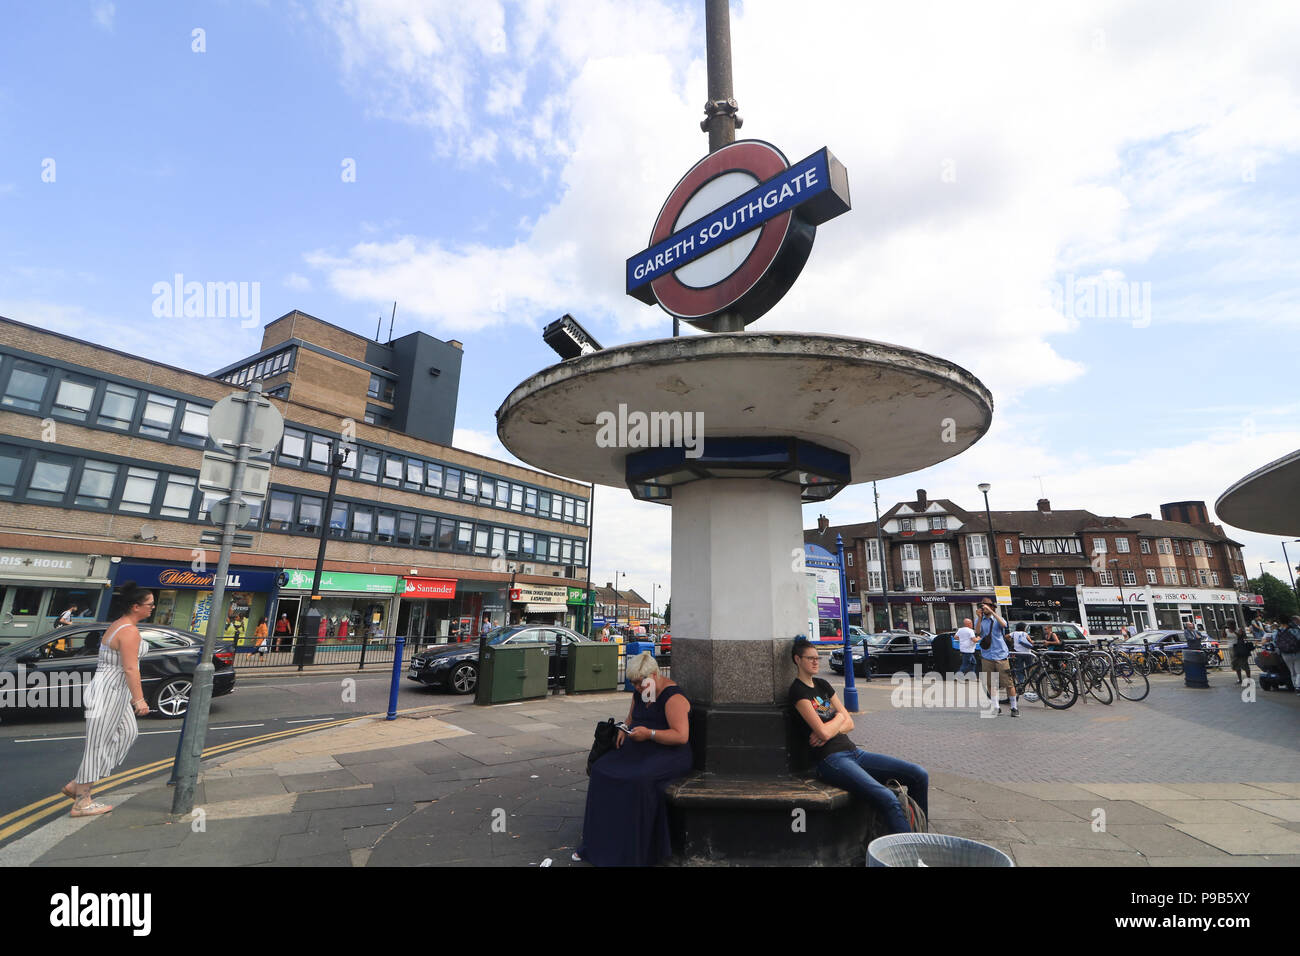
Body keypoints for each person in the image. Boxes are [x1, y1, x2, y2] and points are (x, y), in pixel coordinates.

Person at [789, 636, 928, 834]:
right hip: (830, 760)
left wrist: (833, 725)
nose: (815, 662)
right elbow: (825, 730)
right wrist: (838, 718)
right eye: (810, 658)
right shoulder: (798, 691)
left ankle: (923, 835)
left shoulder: (822, 685)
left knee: (918, 775)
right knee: (887, 798)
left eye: (817, 658)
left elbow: (850, 722)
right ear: (797, 660)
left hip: (854, 753)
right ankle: (910, 854)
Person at [575, 651, 692, 866]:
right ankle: (599, 843)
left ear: (655, 675)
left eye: (640, 682)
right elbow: (631, 718)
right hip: (640, 749)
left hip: (668, 753)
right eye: (633, 683)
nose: (637, 688)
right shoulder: (641, 693)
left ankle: (632, 850)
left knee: (637, 780)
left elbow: (681, 736)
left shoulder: (673, 698)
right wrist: (624, 728)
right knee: (601, 769)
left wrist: (650, 734)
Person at [62, 582, 155, 817]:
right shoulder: (129, 631)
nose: (152, 607)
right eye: (149, 604)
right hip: (109, 692)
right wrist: (140, 700)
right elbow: (131, 669)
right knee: (97, 746)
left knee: (127, 734)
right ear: (135, 606)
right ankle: (81, 802)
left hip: (113, 691)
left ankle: (78, 783)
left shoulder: (121, 624)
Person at [976, 602, 1018, 716]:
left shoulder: (998, 619)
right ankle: (996, 706)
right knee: (990, 683)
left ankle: (1014, 707)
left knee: (1009, 683)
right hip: (987, 655)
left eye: (985, 607)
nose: (983, 609)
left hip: (1001, 655)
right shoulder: (981, 620)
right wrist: (979, 618)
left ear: (992, 607)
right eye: (982, 608)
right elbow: (978, 632)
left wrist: (993, 612)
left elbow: (1004, 625)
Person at [1009, 622, 1038, 702]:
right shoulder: (1025, 634)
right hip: (1027, 653)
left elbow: (1006, 637)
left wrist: (1012, 641)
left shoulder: (1013, 633)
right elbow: (1030, 641)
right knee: (1030, 667)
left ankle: (1021, 682)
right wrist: (1032, 642)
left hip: (1017, 653)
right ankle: (1032, 679)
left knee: (1019, 668)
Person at [1275, 616, 1300, 693]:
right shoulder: (1294, 630)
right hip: (1297, 652)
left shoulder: (1278, 631)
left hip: (1285, 654)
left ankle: (1295, 687)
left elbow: (1276, 643)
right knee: (1298, 671)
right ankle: (1298, 686)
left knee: (1292, 671)